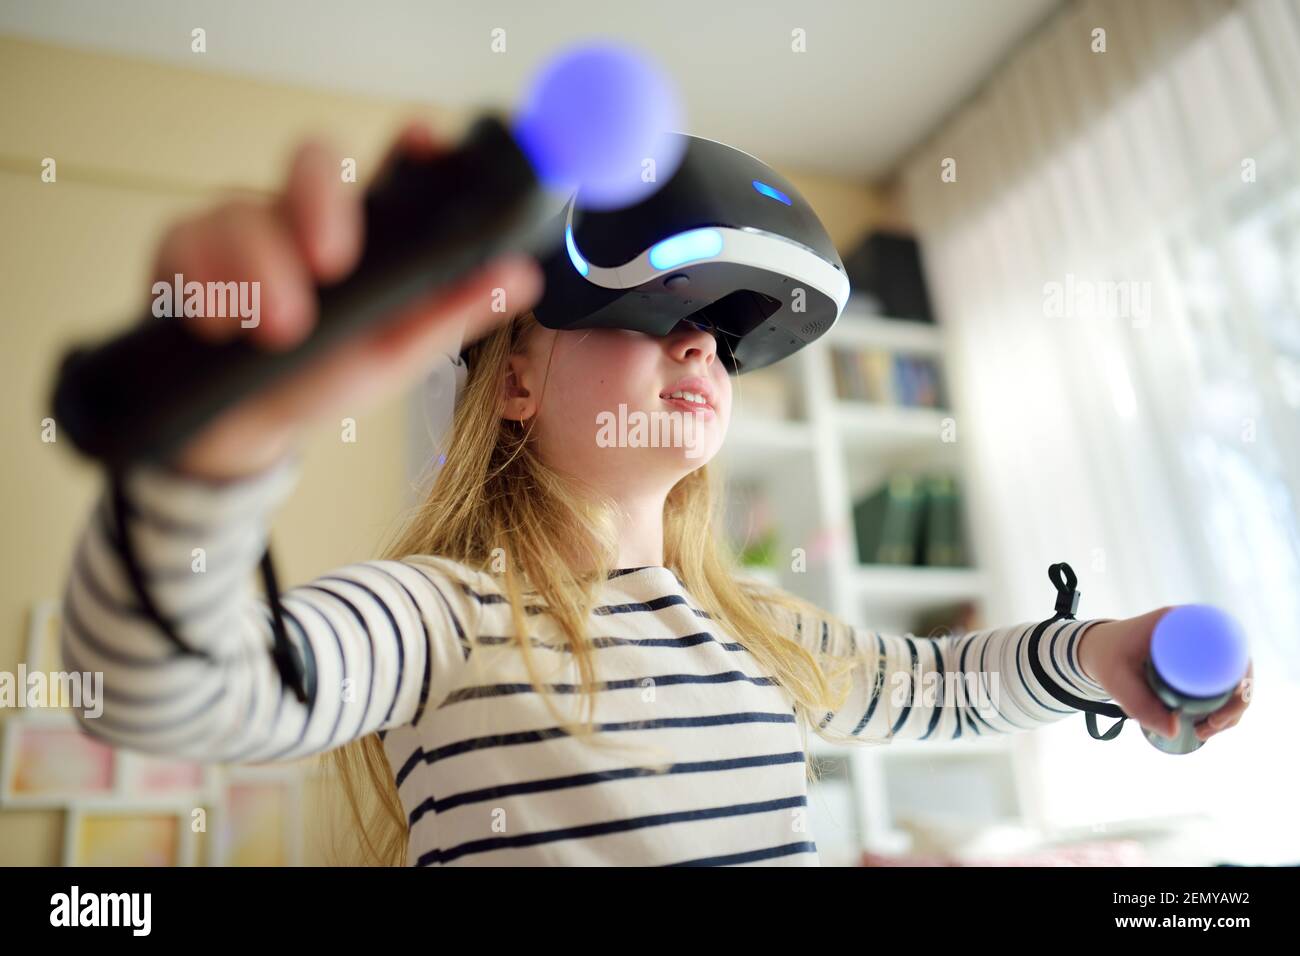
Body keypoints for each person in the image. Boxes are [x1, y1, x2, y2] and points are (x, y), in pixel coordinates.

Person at [59, 124, 1252, 866]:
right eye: (655, 319)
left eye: (720, 341)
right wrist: (212, 447)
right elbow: (163, 695)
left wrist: (1097, 651)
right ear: (515, 377)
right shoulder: (441, 616)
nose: (700, 350)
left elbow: (929, 685)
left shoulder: (754, 632)